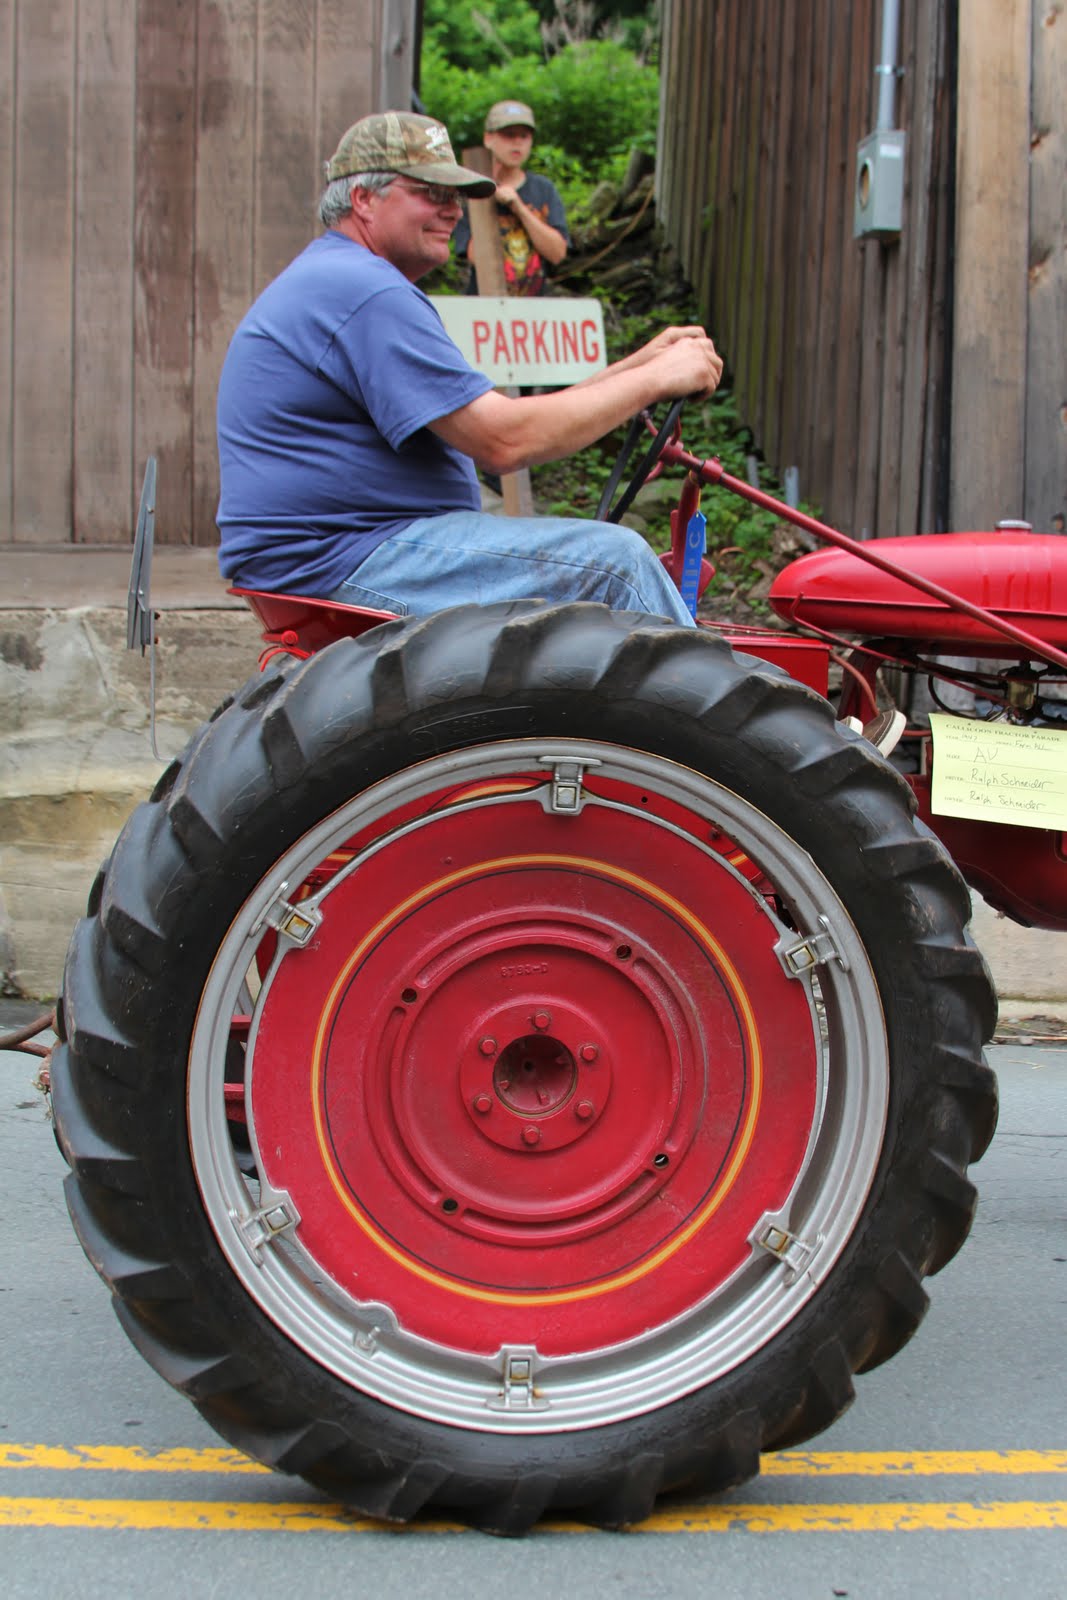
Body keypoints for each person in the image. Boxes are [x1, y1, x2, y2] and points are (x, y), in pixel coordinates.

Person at [216, 111, 722, 626]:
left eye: (454, 196)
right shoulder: (364, 291)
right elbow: (504, 442)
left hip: (342, 551)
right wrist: (656, 379)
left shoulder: (343, 279)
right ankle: (713, 707)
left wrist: (639, 366)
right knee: (617, 566)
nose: (452, 211)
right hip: (341, 558)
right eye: (429, 192)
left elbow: (507, 418)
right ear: (362, 199)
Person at [452, 100, 568, 297]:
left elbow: (557, 253)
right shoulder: (471, 190)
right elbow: (475, 256)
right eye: (508, 135)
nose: (517, 143)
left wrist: (519, 208)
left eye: (524, 136)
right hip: (483, 310)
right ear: (488, 138)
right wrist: (486, 196)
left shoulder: (544, 189)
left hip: (535, 314)